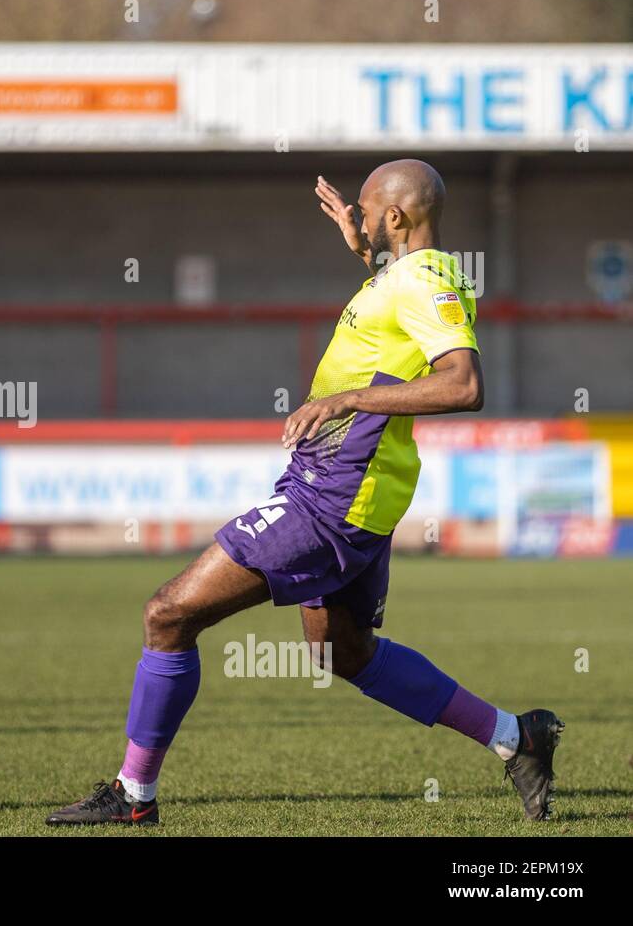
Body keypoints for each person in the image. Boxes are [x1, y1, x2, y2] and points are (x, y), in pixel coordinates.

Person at [47, 159, 562, 826]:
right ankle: (517, 737)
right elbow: (398, 326)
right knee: (344, 653)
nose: (363, 218)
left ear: (399, 218)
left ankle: (132, 797)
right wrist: (365, 250)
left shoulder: (424, 279)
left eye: (372, 212)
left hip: (333, 496)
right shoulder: (409, 276)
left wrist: (349, 397)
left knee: (168, 615)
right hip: (351, 492)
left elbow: (464, 384)